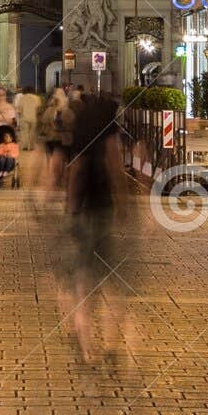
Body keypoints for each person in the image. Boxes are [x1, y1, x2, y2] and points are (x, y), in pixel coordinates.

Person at [61, 93, 134, 363]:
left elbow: (74, 173)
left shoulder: (80, 141)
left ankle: (86, 341)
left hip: (83, 211)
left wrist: (70, 209)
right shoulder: (108, 140)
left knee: (84, 277)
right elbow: (116, 171)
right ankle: (113, 341)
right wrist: (124, 205)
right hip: (103, 211)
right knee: (110, 278)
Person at [16, 86, 42, 153]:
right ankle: (32, 146)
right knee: (33, 132)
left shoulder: (22, 97)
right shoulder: (37, 98)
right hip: (34, 117)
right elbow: (39, 109)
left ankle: (25, 146)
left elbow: (19, 108)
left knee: (24, 132)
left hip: (24, 117)